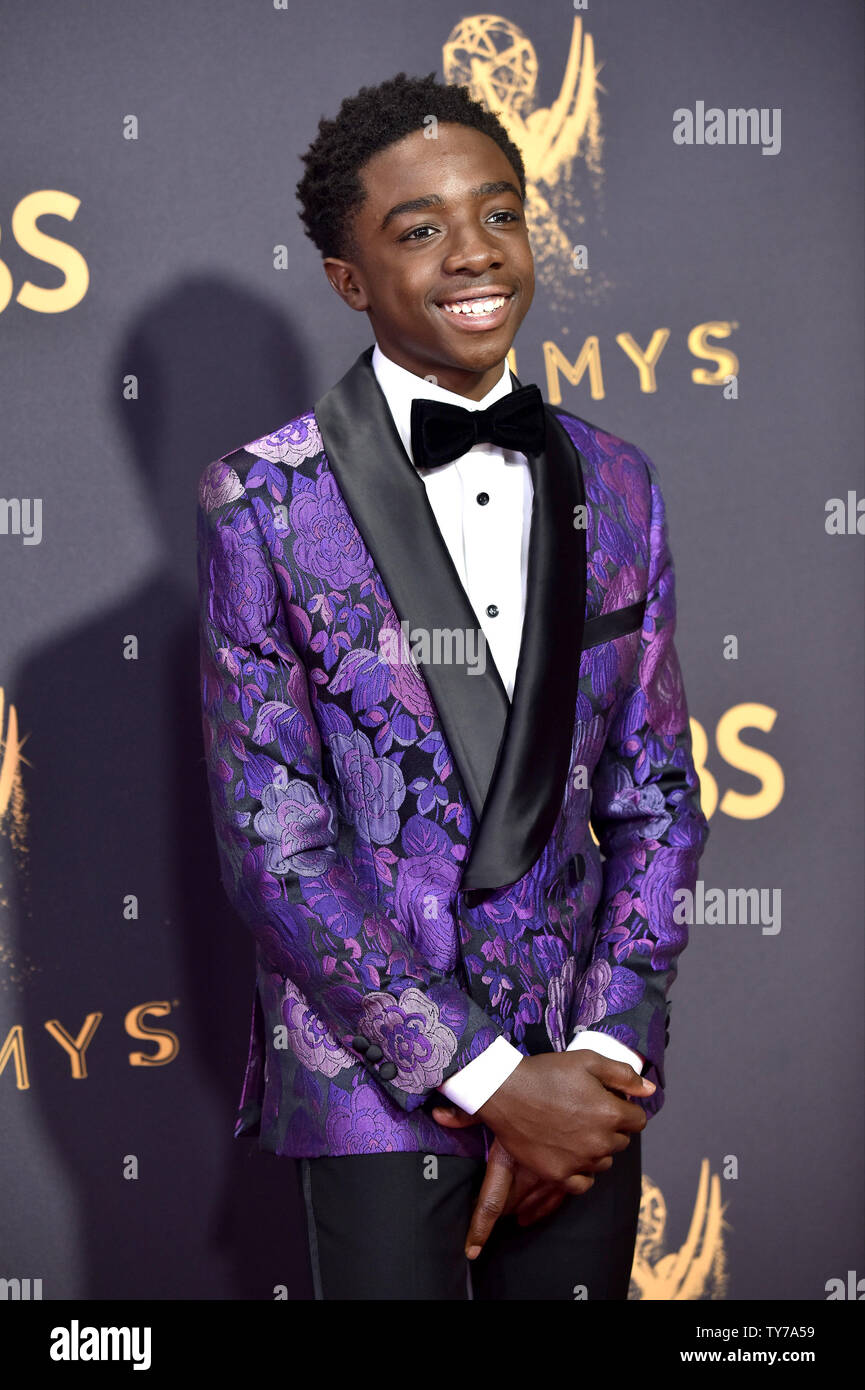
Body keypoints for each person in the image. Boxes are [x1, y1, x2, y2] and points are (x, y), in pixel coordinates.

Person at [196, 71, 710, 1301]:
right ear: (347, 278)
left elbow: (658, 795)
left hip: (581, 1077)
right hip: (375, 1081)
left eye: (498, 213)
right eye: (418, 229)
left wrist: (595, 1058)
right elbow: (275, 846)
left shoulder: (617, 478)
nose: (473, 253)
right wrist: (484, 1079)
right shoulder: (263, 501)